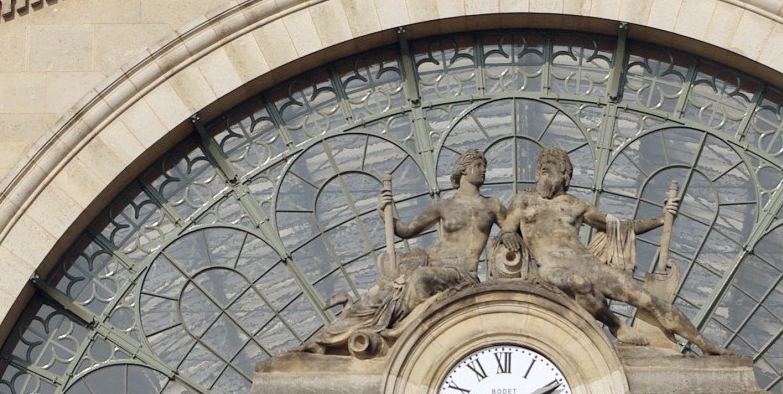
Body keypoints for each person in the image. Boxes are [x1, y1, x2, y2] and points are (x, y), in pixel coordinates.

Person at [502, 146, 727, 354]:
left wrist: (661, 219)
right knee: (578, 282)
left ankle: (704, 343)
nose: (545, 171)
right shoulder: (524, 201)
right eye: (542, 167)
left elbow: (620, 226)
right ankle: (617, 326)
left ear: (565, 176)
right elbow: (507, 230)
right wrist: (509, 236)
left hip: (586, 263)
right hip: (550, 267)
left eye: (552, 166)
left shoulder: (575, 205)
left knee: (644, 298)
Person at [301, 149, 510, 355]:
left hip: (462, 274)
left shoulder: (492, 205)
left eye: (485, 167)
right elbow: (407, 230)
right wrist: (385, 214)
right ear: (464, 170)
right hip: (430, 261)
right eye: (479, 165)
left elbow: (513, 229)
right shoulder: (444, 206)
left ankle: (383, 325)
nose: (484, 170)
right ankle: (324, 339)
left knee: (419, 278)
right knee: (379, 296)